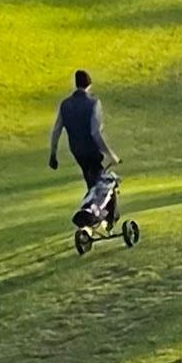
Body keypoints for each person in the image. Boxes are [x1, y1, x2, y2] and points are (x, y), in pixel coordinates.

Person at [50, 68, 119, 238]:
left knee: (93, 184)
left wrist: (53, 154)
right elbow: (96, 133)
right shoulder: (93, 103)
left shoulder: (65, 104)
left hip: (78, 153)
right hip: (93, 152)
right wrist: (111, 155)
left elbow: (57, 130)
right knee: (105, 184)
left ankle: (94, 217)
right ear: (89, 84)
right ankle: (105, 218)